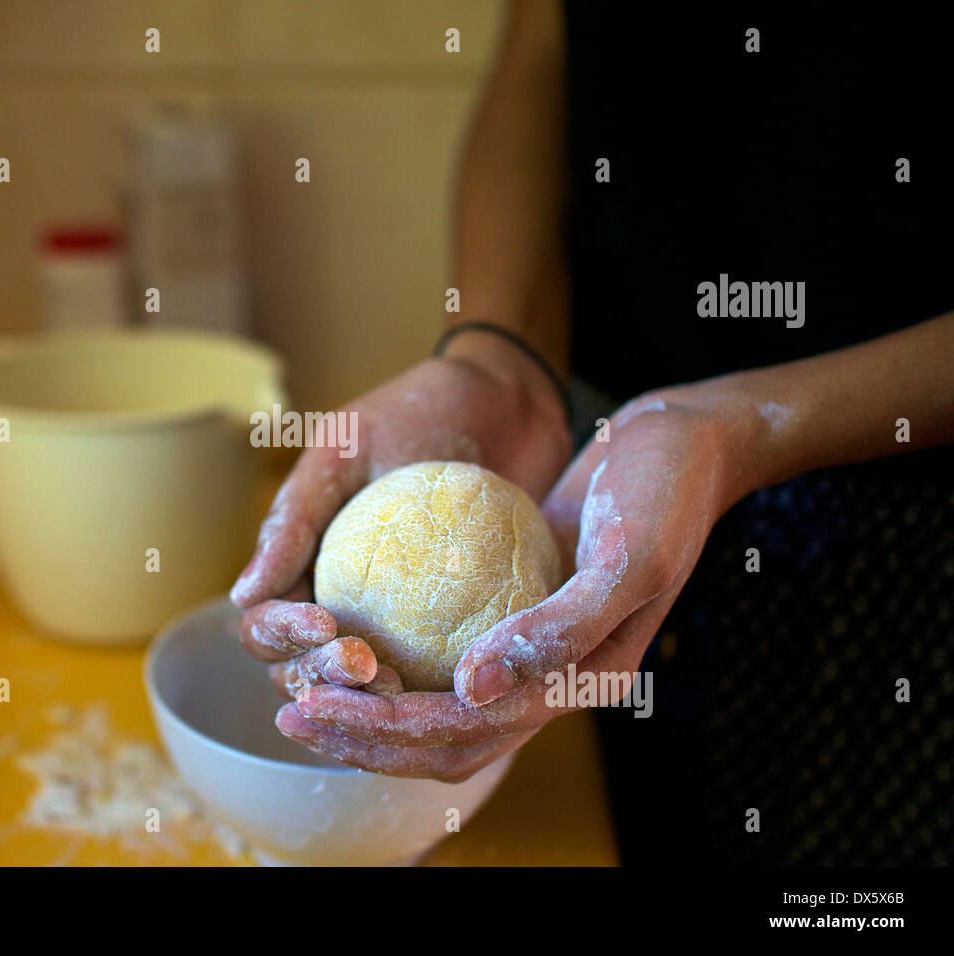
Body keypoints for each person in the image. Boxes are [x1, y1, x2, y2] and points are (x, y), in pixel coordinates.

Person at [230, 1, 953, 864]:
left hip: (902, 552)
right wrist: (494, 354)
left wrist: (750, 424)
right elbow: (547, 41)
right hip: (606, 502)